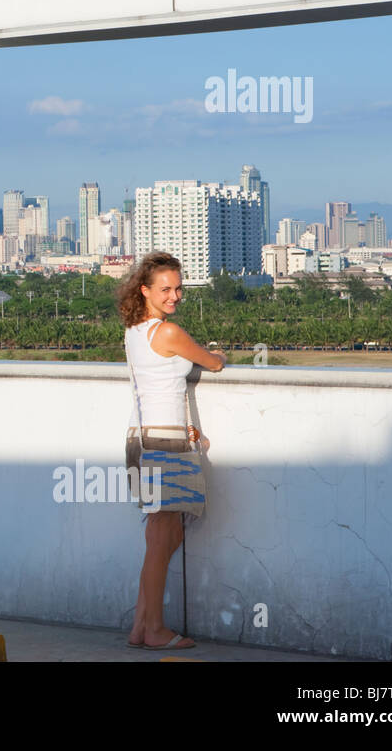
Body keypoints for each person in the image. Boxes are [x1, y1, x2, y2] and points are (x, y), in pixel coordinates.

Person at [116, 252, 225, 650]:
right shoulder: (167, 333)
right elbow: (212, 363)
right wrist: (220, 356)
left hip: (140, 439)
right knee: (163, 539)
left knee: (164, 536)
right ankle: (154, 630)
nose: (174, 295)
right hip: (164, 444)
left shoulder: (134, 331)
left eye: (178, 288)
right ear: (145, 291)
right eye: (166, 289)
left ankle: (141, 625)